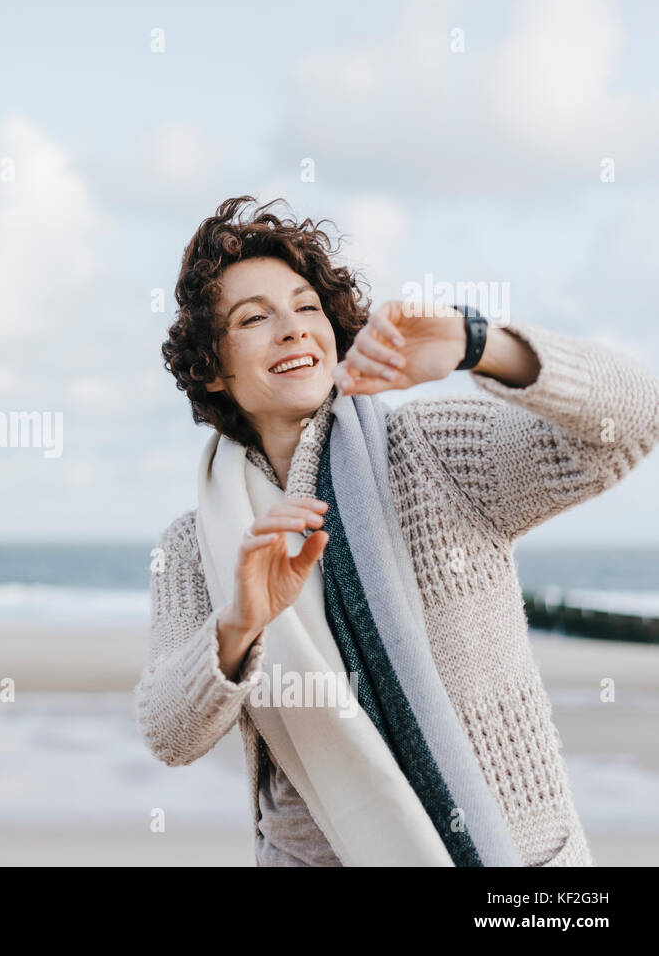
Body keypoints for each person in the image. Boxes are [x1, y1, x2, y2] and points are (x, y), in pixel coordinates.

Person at [134, 195, 659, 866]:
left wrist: (480, 345)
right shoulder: (196, 546)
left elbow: (634, 420)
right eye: (254, 318)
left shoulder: (432, 453)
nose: (292, 329)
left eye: (305, 306)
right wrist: (240, 623)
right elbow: (166, 731)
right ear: (212, 366)